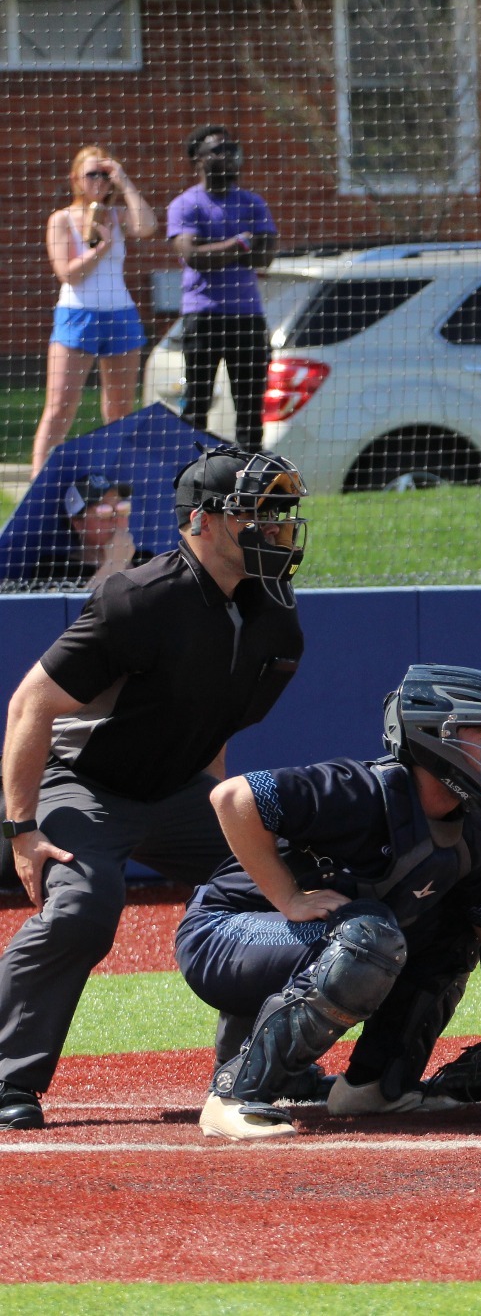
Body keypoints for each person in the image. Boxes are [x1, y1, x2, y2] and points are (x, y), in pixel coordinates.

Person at [0, 447, 308, 1131]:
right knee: (84, 902)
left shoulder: (274, 617)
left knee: (289, 875)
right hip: (81, 783)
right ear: (200, 521)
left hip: (179, 791)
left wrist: (235, 836)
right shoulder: (137, 599)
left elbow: (215, 725)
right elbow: (30, 705)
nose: (276, 526)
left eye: (279, 512)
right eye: (255, 512)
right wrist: (22, 832)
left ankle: (255, 1065)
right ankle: (6, 1075)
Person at [177, 664, 481, 1142]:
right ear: (436, 736)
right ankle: (235, 1095)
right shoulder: (359, 791)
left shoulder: (470, 827)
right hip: (222, 932)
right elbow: (232, 797)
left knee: (453, 933)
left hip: (318, 941)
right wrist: (287, 896)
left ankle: (374, 1087)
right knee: (370, 938)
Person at [33, 146, 158, 477]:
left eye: (105, 175)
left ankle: (114, 481)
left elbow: (147, 226)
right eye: (93, 174)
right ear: (76, 179)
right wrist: (100, 248)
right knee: (60, 406)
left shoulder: (116, 215)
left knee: (119, 409)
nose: (100, 181)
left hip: (120, 315)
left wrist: (125, 181)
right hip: (77, 315)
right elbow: (69, 274)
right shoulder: (61, 219)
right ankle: (36, 484)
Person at [165, 126, 276, 445]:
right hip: (204, 318)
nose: (227, 156)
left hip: (247, 318)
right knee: (197, 404)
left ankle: (249, 481)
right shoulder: (186, 205)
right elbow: (192, 256)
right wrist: (241, 243)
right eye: (218, 150)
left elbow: (265, 257)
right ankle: (192, 480)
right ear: (197, 161)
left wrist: (217, 248)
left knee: (250, 406)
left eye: (231, 149)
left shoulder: (253, 203)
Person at [23, 475, 152, 592]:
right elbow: (80, 613)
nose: (116, 518)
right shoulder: (54, 569)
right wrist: (115, 562)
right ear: (78, 524)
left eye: (121, 509)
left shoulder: (149, 561)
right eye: (104, 511)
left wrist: (128, 563)